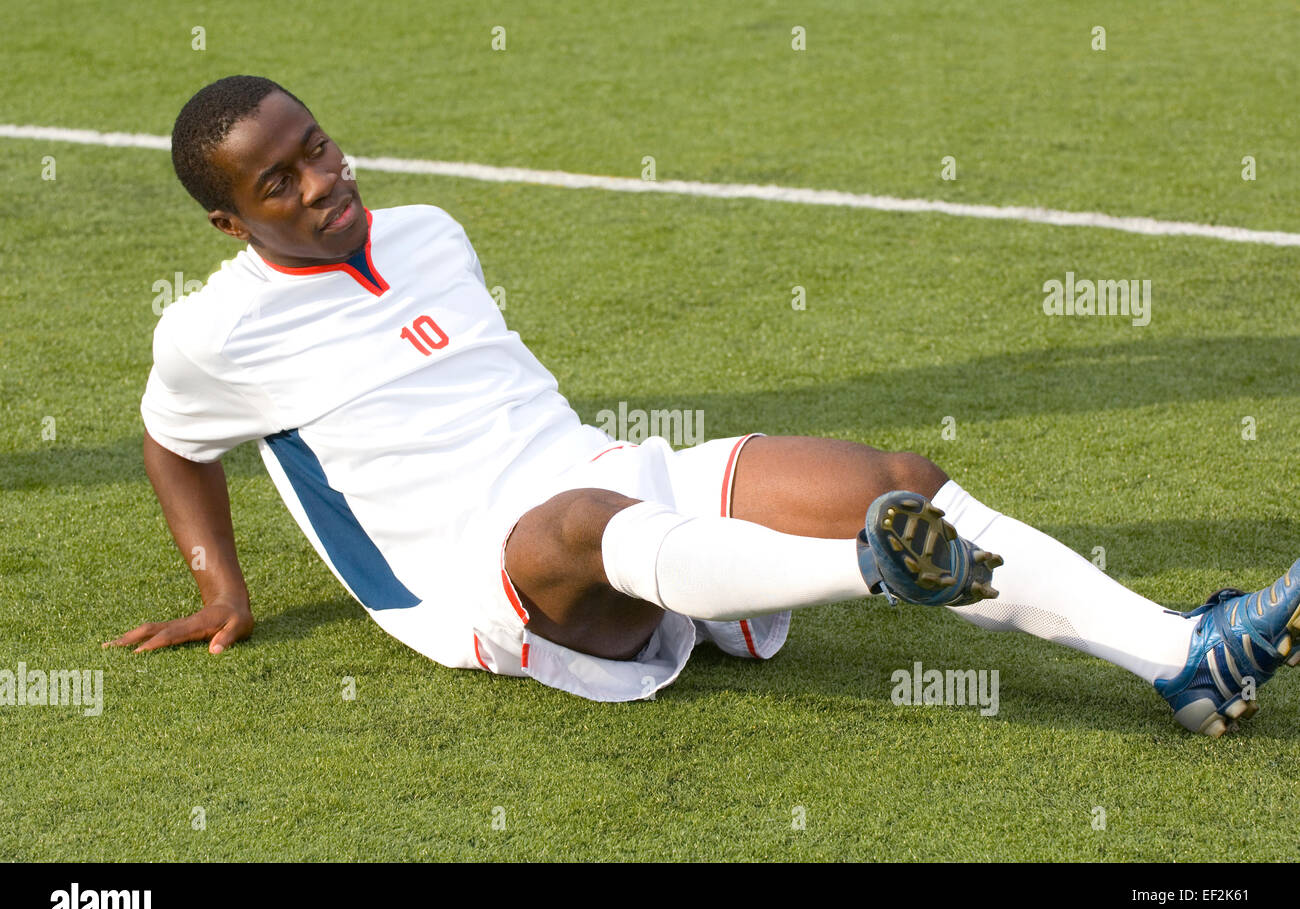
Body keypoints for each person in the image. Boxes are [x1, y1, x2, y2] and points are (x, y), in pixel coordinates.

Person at [106, 75, 1300, 738]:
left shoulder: (425, 231)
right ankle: (872, 568)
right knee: (584, 524)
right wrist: (220, 585)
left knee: (887, 479)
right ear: (229, 219)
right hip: (487, 578)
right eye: (280, 181)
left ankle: (1181, 656)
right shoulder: (215, 331)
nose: (322, 181)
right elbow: (171, 439)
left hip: (602, 471)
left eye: (319, 146)